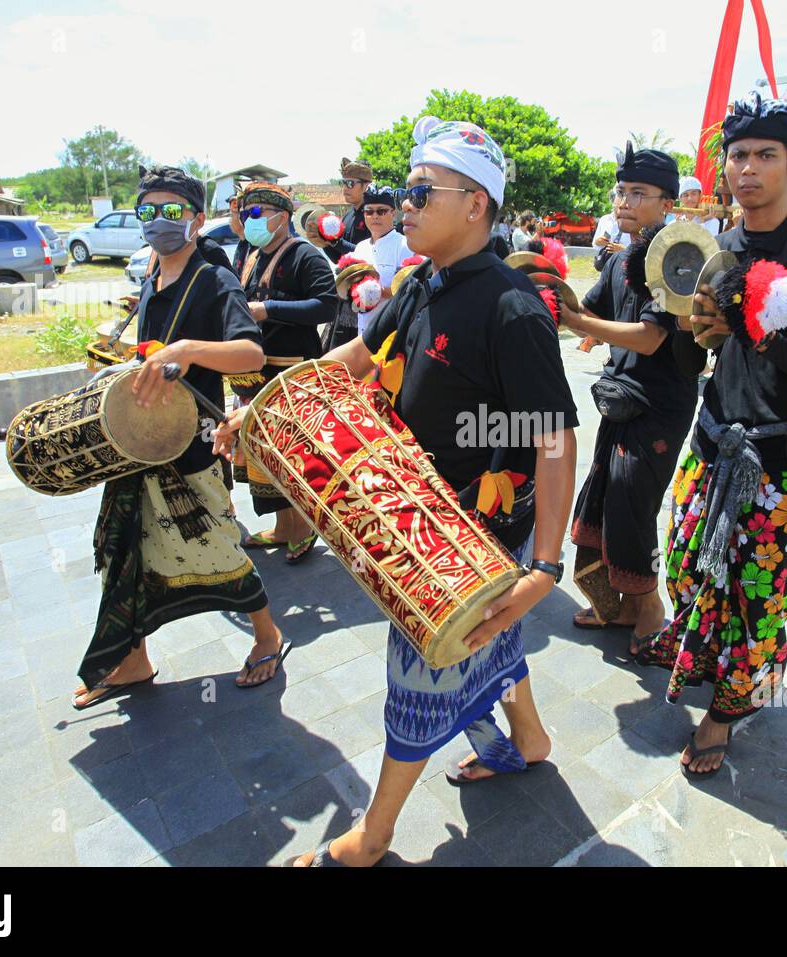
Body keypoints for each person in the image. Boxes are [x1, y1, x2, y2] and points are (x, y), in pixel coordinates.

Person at [216, 117, 578, 867]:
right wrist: (268, 405)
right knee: (492, 641)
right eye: (404, 191)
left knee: (418, 674)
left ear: (476, 203)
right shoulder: (423, 283)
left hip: (469, 534)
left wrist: (545, 567)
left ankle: (374, 835)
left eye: (420, 191)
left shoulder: (512, 308)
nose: (401, 205)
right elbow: (358, 351)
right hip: (417, 506)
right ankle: (531, 738)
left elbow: (553, 436)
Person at [635, 93, 787, 776]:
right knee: (685, 563)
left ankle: (726, 713)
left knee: (757, 600)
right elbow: (689, 360)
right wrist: (680, 324)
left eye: (767, 155)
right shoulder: (711, 247)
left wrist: (754, 327)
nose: (749, 168)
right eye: (738, 155)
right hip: (711, 441)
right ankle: (698, 649)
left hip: (780, 457)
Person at [72, 166, 287, 709]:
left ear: (195, 219)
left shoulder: (215, 279)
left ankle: (268, 636)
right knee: (130, 552)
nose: (159, 222)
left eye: (172, 212)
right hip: (139, 441)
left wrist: (187, 349)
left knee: (218, 547)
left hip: (190, 445)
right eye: (148, 212)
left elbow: (251, 354)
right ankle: (132, 659)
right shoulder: (150, 276)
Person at [558, 144, 699, 649]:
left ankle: (651, 608)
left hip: (660, 405)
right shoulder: (620, 263)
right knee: (607, 496)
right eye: (621, 191)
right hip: (620, 400)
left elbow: (649, 337)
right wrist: (540, 287)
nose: (624, 201)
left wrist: (576, 322)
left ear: (668, 203)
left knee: (634, 506)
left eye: (638, 193)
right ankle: (616, 606)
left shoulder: (675, 261)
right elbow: (589, 311)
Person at [229, 181, 337, 564]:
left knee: (292, 456)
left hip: (293, 374)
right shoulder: (252, 254)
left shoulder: (306, 256)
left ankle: (304, 528)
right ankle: (282, 526)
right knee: (263, 458)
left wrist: (270, 308)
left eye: (256, 213)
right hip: (256, 372)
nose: (249, 220)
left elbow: (326, 306)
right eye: (246, 214)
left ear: (282, 218)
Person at [348, 184, 413, 334]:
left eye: (381, 211)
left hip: (392, 334)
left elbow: (410, 293)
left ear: (393, 213)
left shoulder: (405, 246)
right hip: (362, 331)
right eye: (369, 211)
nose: (375, 216)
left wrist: (377, 290)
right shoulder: (360, 247)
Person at [339, 157, 373, 245]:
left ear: (366, 186)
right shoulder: (348, 215)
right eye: (343, 183)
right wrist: (324, 241)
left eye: (350, 183)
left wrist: (336, 243)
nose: (345, 188)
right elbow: (339, 257)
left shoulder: (375, 215)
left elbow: (371, 253)